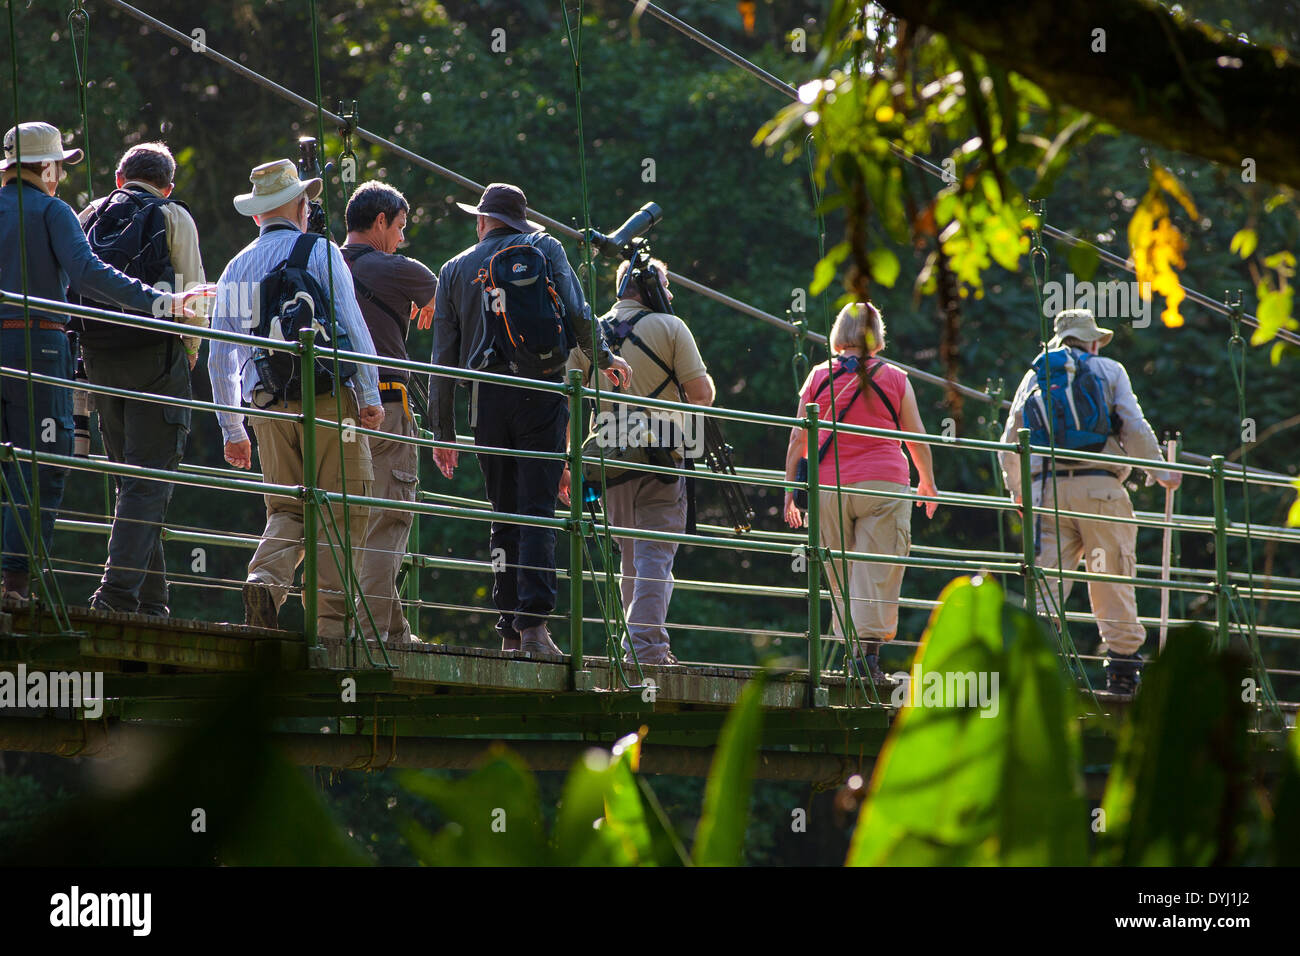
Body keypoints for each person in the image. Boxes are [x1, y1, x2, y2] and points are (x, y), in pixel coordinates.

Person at [430, 182, 630, 657]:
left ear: (481, 221)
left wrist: (443, 431)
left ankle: (509, 630)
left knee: (503, 512)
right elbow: (580, 312)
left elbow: (442, 358)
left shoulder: (455, 269)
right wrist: (602, 357)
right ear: (518, 220)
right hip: (541, 391)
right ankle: (536, 627)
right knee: (536, 508)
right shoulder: (544, 246)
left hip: (486, 400)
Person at [0, 122, 192, 603]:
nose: (60, 176)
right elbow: (87, 276)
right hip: (38, 350)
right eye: (59, 167)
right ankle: (17, 585)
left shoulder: (75, 210)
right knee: (42, 465)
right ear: (45, 166)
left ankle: (149, 600)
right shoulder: (52, 211)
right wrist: (162, 303)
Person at [209, 158, 384, 637]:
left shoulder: (236, 268)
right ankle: (329, 628)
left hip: (265, 407)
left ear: (256, 215)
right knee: (341, 509)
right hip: (328, 404)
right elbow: (354, 329)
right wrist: (369, 395)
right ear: (302, 206)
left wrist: (233, 429)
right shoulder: (322, 252)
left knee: (287, 508)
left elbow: (219, 357)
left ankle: (265, 580)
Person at [999, 308, 1180, 695]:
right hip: (1100, 492)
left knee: (1045, 581)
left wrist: (1019, 492)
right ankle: (1121, 673)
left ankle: (1034, 670)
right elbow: (1133, 424)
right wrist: (1161, 472)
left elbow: (1009, 441)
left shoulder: (1035, 374)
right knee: (1111, 576)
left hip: (1047, 494)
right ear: (1093, 340)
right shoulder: (1109, 370)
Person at [75, 142, 209, 616]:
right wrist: (189, 353)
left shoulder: (91, 212)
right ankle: (115, 597)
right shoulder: (173, 214)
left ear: (119, 179)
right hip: (155, 358)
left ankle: (153, 603)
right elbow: (194, 294)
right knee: (148, 480)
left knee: (130, 482)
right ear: (168, 185)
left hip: (97, 358)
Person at [568, 257, 713, 666]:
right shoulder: (671, 327)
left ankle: (635, 645)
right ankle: (646, 650)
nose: (669, 294)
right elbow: (701, 394)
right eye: (665, 286)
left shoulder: (589, 332)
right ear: (647, 287)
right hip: (661, 455)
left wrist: (568, 463)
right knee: (655, 553)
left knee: (631, 554)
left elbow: (570, 401)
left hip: (607, 458)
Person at [783, 302, 939, 681]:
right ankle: (867, 657)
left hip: (828, 486)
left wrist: (789, 492)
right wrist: (928, 481)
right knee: (877, 568)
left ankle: (851, 652)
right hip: (883, 484)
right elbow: (915, 437)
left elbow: (797, 438)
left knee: (839, 570)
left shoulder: (818, 376)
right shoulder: (896, 378)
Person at [341, 180, 437, 643]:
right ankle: (375, 632)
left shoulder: (320, 262)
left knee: (340, 516)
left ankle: (388, 627)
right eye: (399, 227)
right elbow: (440, 292)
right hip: (384, 405)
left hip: (329, 407)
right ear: (380, 222)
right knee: (389, 518)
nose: (401, 238)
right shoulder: (393, 267)